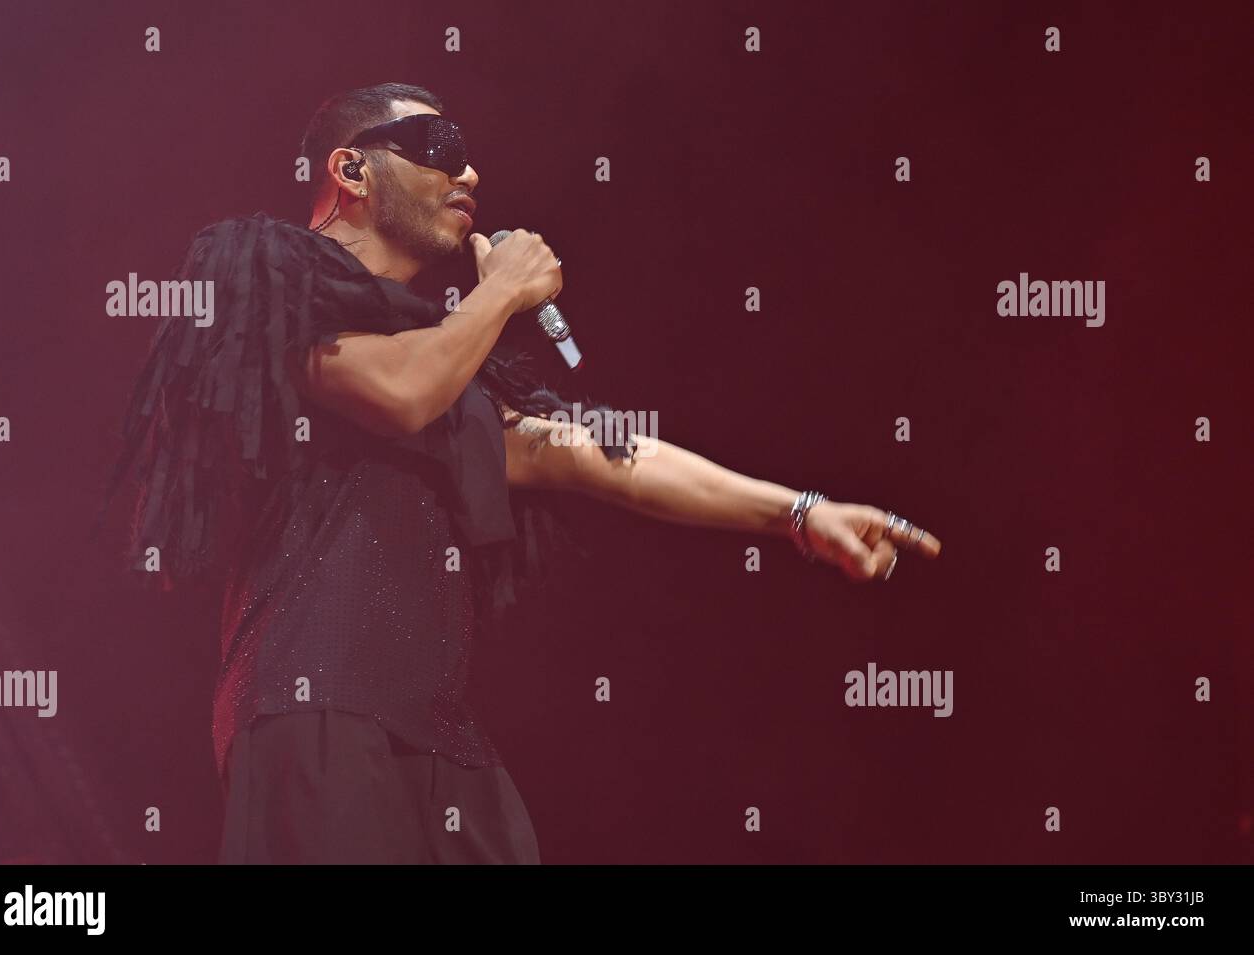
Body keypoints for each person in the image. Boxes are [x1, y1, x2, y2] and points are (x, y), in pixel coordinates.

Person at [103, 82, 942, 864]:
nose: (468, 171)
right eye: (437, 144)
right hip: (314, 707)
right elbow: (396, 392)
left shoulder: (447, 361)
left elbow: (591, 452)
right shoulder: (269, 278)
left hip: (440, 734)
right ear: (352, 168)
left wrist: (798, 510)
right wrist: (499, 292)